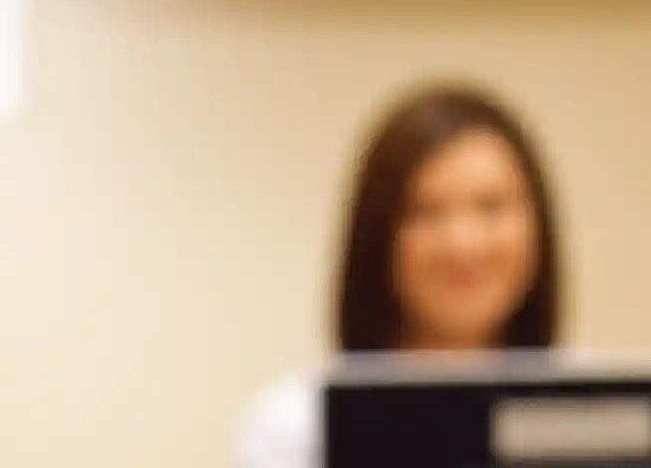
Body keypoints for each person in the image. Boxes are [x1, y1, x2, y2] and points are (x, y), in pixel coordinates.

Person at [236, 85, 562, 468]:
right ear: (378, 235)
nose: (462, 244)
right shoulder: (296, 427)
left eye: (491, 208)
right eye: (426, 212)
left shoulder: (588, 416)